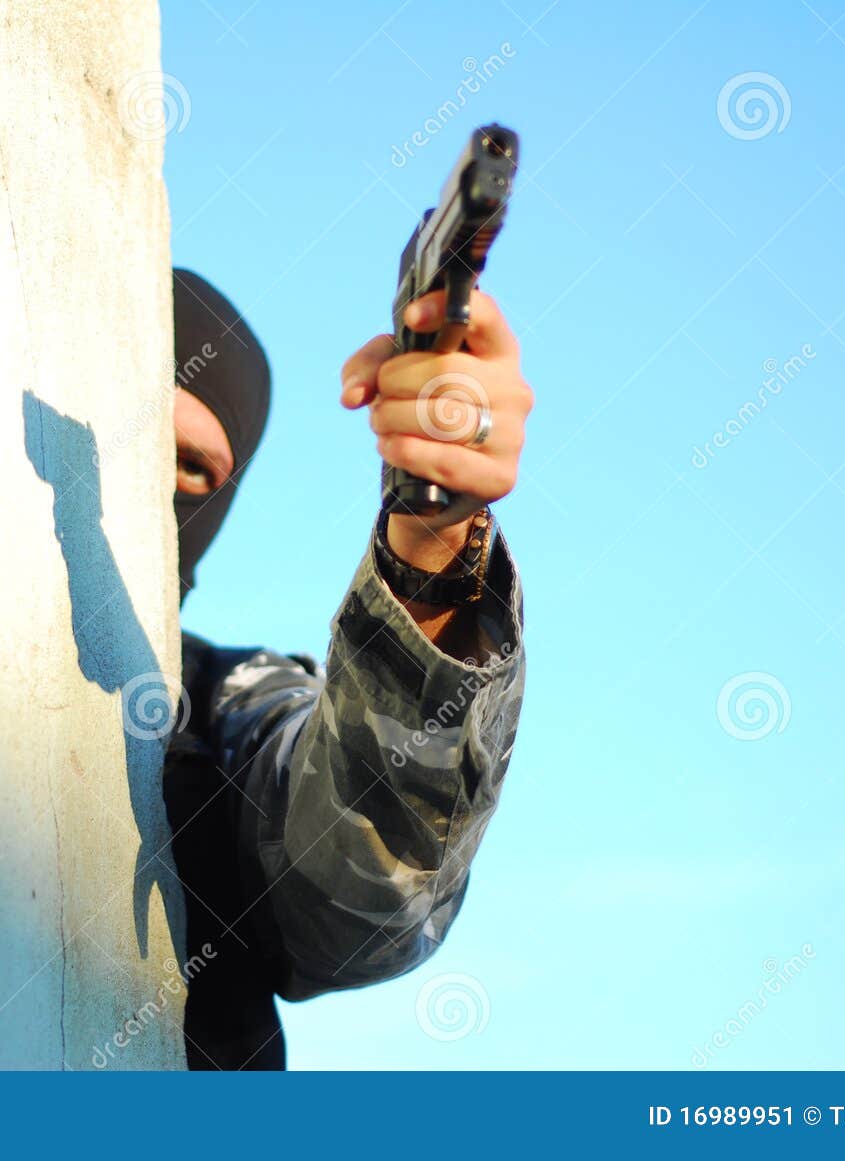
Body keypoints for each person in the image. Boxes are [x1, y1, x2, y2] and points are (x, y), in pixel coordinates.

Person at [163, 268, 530, 1069]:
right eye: (131, 442)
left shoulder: (226, 708)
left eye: (190, 469)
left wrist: (433, 546)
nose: (154, 489)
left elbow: (364, 882)